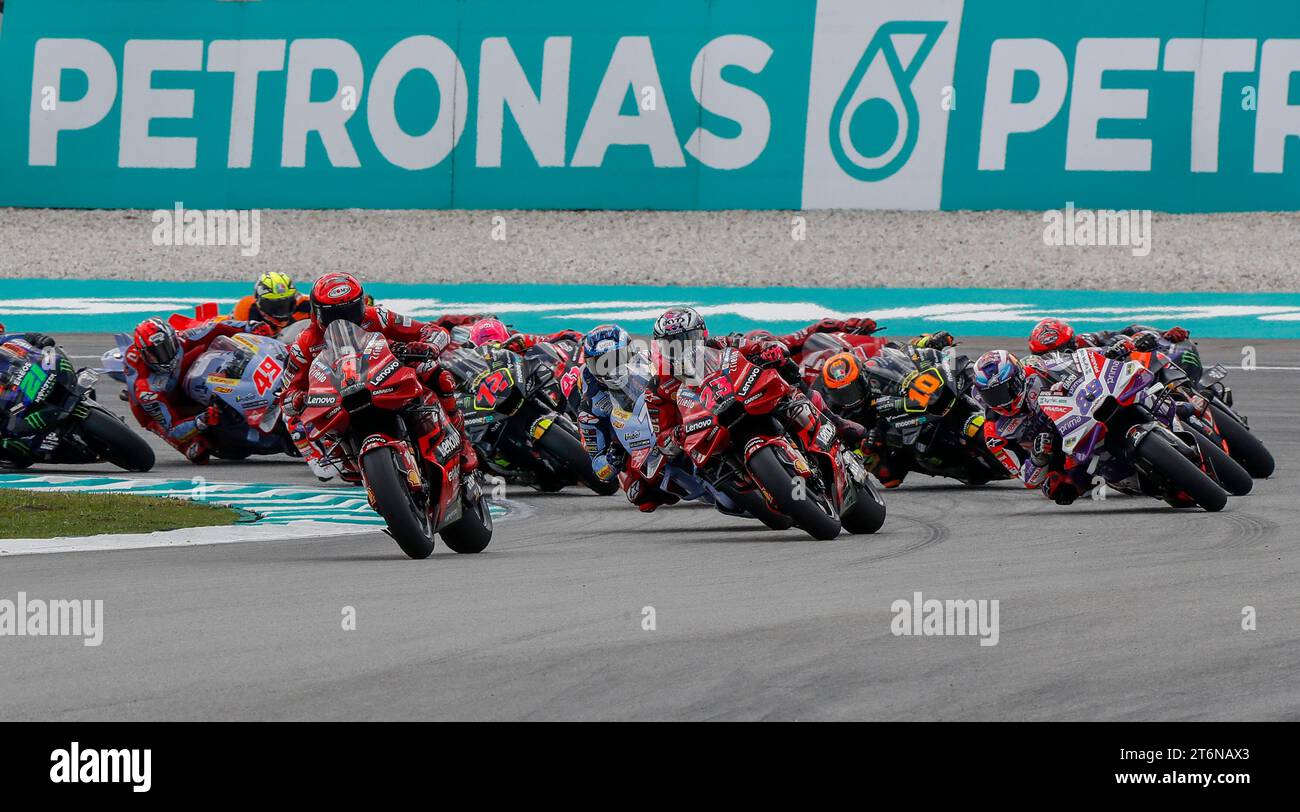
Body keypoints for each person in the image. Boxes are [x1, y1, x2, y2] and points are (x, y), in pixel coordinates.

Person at [278, 272, 477, 476]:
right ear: (317, 312)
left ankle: (461, 441)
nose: (344, 320)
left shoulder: (378, 317)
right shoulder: (304, 344)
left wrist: (428, 346)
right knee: (305, 419)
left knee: (434, 372)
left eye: (351, 311)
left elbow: (433, 331)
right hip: (338, 398)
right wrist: (297, 399)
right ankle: (341, 455)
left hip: (383, 378)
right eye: (334, 315)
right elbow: (285, 394)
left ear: (361, 305)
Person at [643, 306, 865, 472]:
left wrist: (770, 351)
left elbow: (753, 346)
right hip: (708, 433)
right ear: (660, 347)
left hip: (740, 399)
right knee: (712, 483)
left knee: (787, 379)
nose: (682, 348)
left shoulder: (718, 344)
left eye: (687, 339)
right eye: (672, 343)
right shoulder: (657, 387)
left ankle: (834, 422)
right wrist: (678, 434)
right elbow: (662, 440)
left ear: (702, 335)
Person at [123, 315, 275, 462]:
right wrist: (201, 420)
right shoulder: (146, 389)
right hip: (157, 408)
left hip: (181, 376)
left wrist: (249, 327)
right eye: (155, 354)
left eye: (167, 348)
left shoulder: (181, 338)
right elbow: (173, 429)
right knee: (197, 453)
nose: (164, 357)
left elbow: (215, 328)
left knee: (219, 350)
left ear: (173, 339)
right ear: (144, 355)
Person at [573, 324, 682, 511]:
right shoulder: (590, 406)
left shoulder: (649, 360)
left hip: (664, 416)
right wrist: (613, 459)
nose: (612, 368)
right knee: (639, 495)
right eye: (602, 363)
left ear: (630, 351)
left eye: (618, 358)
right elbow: (599, 470)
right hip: (631, 443)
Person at [972, 349, 1084, 504]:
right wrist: (1038, 457)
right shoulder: (994, 434)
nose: (1002, 402)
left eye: (1004, 391)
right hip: (1059, 450)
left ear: (1018, 378)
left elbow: (1076, 362)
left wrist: (1107, 352)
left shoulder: (1037, 370)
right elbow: (1027, 479)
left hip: (1080, 414)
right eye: (992, 396)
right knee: (1054, 487)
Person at [1027, 318, 1191, 356]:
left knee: (1119, 340)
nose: (1055, 357)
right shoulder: (1038, 376)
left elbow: (1128, 330)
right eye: (1046, 355)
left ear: (1072, 343)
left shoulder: (1085, 341)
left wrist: (1163, 334)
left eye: (1061, 350)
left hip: (1121, 379)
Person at [230, 272, 311, 335]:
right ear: (259, 302)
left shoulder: (307, 306)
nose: (281, 310)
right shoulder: (246, 308)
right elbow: (227, 332)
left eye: (286, 303)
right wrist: (247, 328)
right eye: (275, 305)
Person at [463, 317, 584, 354]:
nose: (491, 345)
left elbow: (555, 336)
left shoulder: (518, 342)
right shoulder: (466, 361)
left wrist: (580, 339)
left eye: (496, 343)